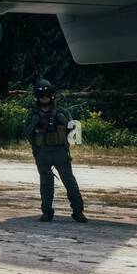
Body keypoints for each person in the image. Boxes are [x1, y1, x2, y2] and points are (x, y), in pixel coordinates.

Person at [21, 78, 87, 222]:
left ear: (51, 96)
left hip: (59, 152)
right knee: (46, 184)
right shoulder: (33, 115)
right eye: (41, 96)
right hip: (43, 152)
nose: (44, 98)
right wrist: (35, 124)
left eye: (46, 95)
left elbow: (74, 130)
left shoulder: (61, 112)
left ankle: (78, 211)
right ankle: (47, 211)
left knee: (70, 182)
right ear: (37, 97)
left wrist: (62, 121)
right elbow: (27, 133)